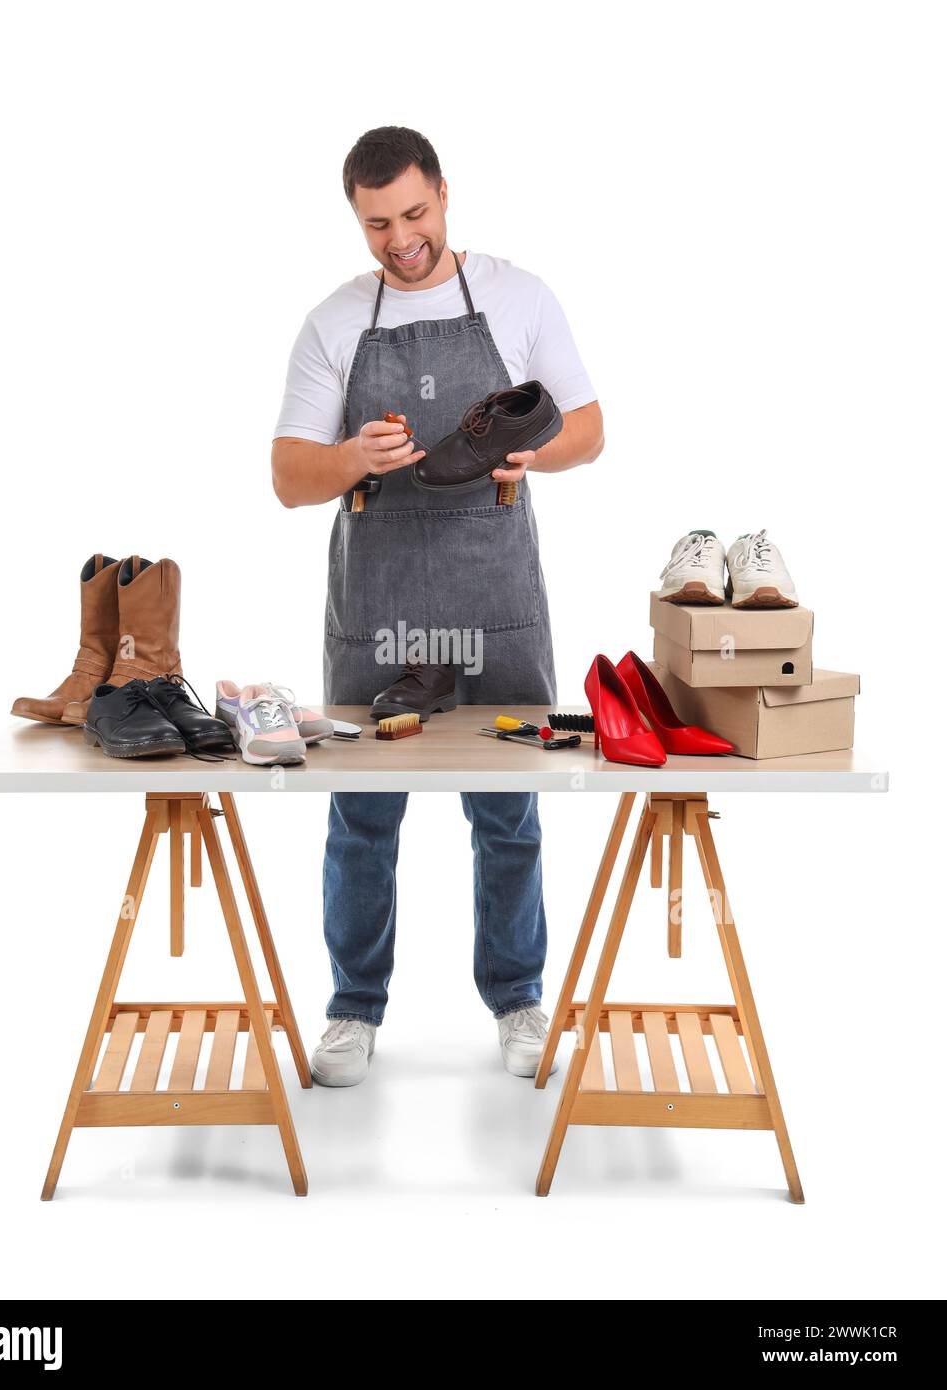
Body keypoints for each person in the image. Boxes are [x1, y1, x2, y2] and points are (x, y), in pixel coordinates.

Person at [272, 126, 603, 1086]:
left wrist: (533, 453)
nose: (400, 238)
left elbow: (587, 426)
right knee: (362, 815)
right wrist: (352, 459)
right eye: (378, 223)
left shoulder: (518, 296)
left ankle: (518, 999)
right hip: (377, 603)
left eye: (414, 214)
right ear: (358, 220)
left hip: (493, 590)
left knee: (507, 810)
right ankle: (352, 1009)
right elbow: (290, 475)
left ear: (445, 196)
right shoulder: (334, 320)